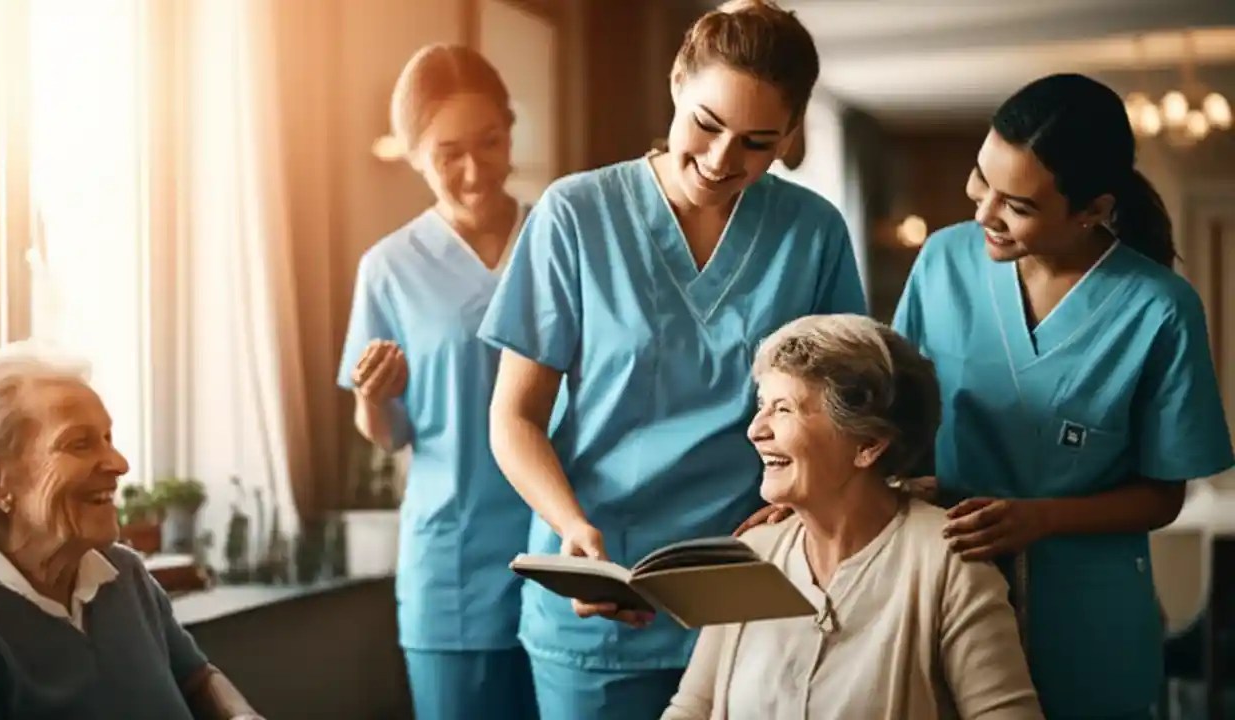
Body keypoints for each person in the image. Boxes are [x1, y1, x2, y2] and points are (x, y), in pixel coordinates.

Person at [732, 73, 1234, 718]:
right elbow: (890, 425)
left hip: (1085, 618)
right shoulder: (944, 260)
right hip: (938, 584)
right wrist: (817, 498)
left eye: (1017, 206)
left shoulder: (1160, 311)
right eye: (980, 181)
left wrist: (1040, 518)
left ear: (1093, 210)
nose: (982, 214)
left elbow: (1164, 496)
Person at [477, 1, 866, 716]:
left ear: (790, 136)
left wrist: (800, 504)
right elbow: (514, 418)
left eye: (757, 142)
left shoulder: (813, 234)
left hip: (753, 591)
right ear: (677, 82)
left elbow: (841, 414)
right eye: (707, 125)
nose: (722, 162)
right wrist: (572, 530)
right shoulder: (574, 216)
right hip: (601, 600)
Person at [661, 314, 1042, 720]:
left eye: (784, 409)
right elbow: (691, 710)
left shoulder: (950, 562)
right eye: (761, 406)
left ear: (868, 444)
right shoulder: (751, 554)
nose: (756, 429)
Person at [336, 44, 537, 720]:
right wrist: (374, 395)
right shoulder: (388, 268)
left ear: (512, 132)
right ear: (414, 152)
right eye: (449, 152)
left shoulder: (557, 238)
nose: (475, 170)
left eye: (491, 142)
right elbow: (389, 436)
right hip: (454, 559)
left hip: (562, 542)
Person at [0, 346, 261, 719]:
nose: (119, 464)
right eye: (79, 444)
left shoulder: (123, 572)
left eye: (108, 438)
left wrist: (240, 716)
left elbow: (196, 677)